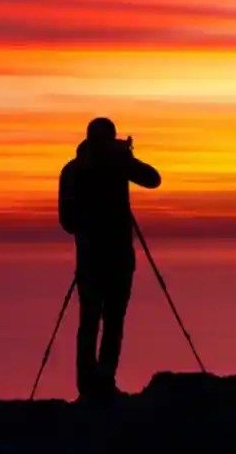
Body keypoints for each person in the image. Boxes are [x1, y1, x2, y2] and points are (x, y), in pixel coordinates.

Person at [58, 117, 161, 401]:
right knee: (107, 322)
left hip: (96, 259)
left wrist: (125, 161)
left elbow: (153, 180)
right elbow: (153, 179)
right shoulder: (92, 168)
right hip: (110, 258)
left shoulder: (73, 169)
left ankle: (96, 385)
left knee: (96, 322)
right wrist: (125, 160)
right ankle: (98, 384)